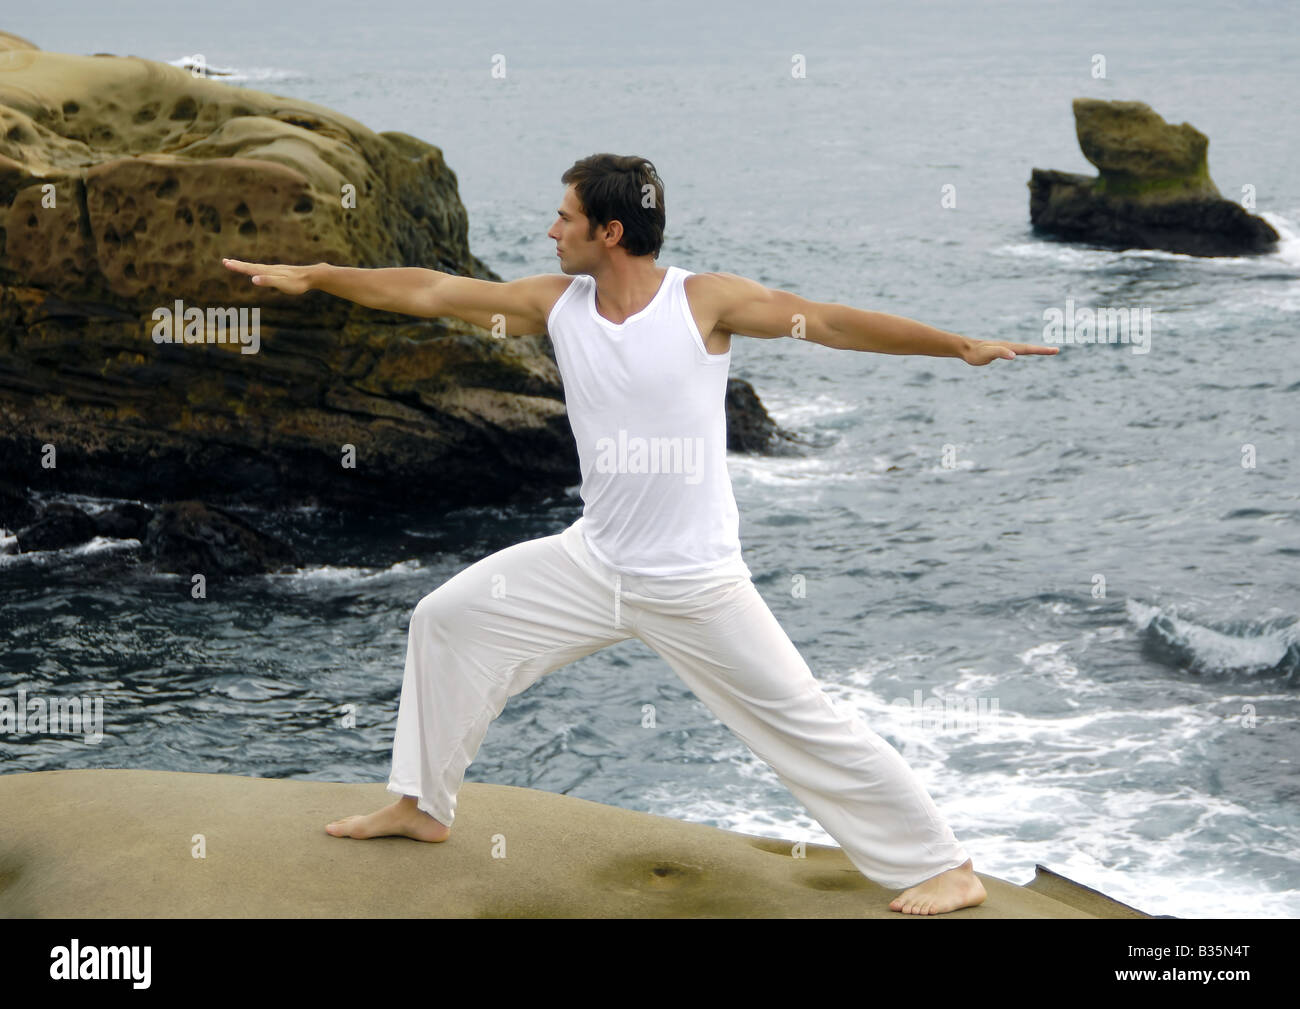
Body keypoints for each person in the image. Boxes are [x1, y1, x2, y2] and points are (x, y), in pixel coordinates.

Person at [223, 153, 1057, 914]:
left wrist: (958, 347)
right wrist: (319, 276)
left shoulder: (706, 302)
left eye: (565, 217)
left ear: (609, 231)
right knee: (446, 618)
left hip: (694, 580)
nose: (550, 230)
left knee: (805, 721)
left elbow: (829, 321)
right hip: (593, 560)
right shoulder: (557, 304)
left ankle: (944, 863)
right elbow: (434, 291)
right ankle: (421, 805)